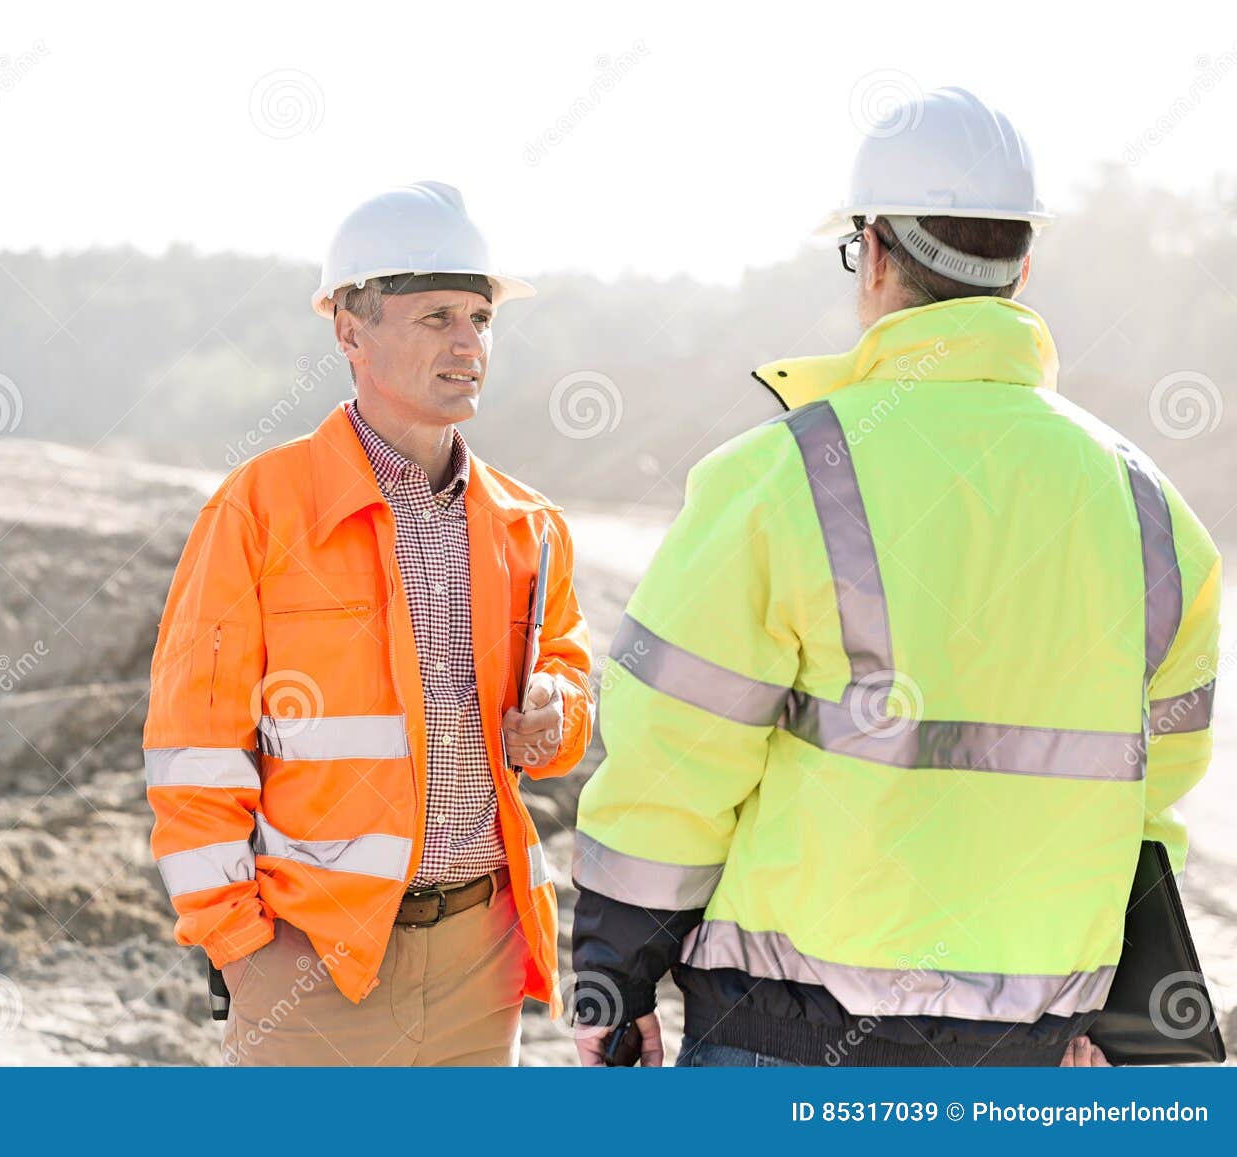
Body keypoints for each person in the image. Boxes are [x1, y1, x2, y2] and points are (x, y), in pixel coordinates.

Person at [571, 88, 1219, 1068]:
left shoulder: (783, 476)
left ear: (871, 252)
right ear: (1022, 263)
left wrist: (615, 973)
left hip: (784, 1039)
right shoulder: (1151, 510)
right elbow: (1149, 795)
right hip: (1037, 1048)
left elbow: (676, 756)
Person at [144, 181, 596, 1065]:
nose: (469, 343)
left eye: (479, 317)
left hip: (480, 954)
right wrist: (238, 947)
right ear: (350, 331)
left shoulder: (527, 525)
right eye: (436, 318)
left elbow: (568, 677)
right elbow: (193, 746)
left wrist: (558, 711)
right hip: (312, 960)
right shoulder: (261, 509)